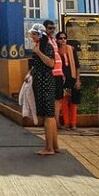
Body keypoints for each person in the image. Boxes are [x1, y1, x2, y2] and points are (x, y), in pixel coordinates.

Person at [29, 23, 59, 155]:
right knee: (49, 115)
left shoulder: (46, 46)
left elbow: (51, 63)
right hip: (40, 81)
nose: (32, 36)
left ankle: (49, 148)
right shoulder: (39, 45)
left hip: (46, 82)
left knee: (48, 115)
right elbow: (36, 65)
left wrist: (38, 53)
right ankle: (55, 146)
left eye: (34, 34)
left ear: (39, 35)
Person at [56, 31, 81, 129]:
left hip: (72, 78)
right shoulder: (56, 51)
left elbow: (77, 66)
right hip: (62, 79)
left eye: (64, 38)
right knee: (64, 102)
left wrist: (78, 80)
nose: (63, 40)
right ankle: (66, 122)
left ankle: (73, 123)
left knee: (74, 102)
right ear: (57, 40)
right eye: (60, 38)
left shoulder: (71, 49)